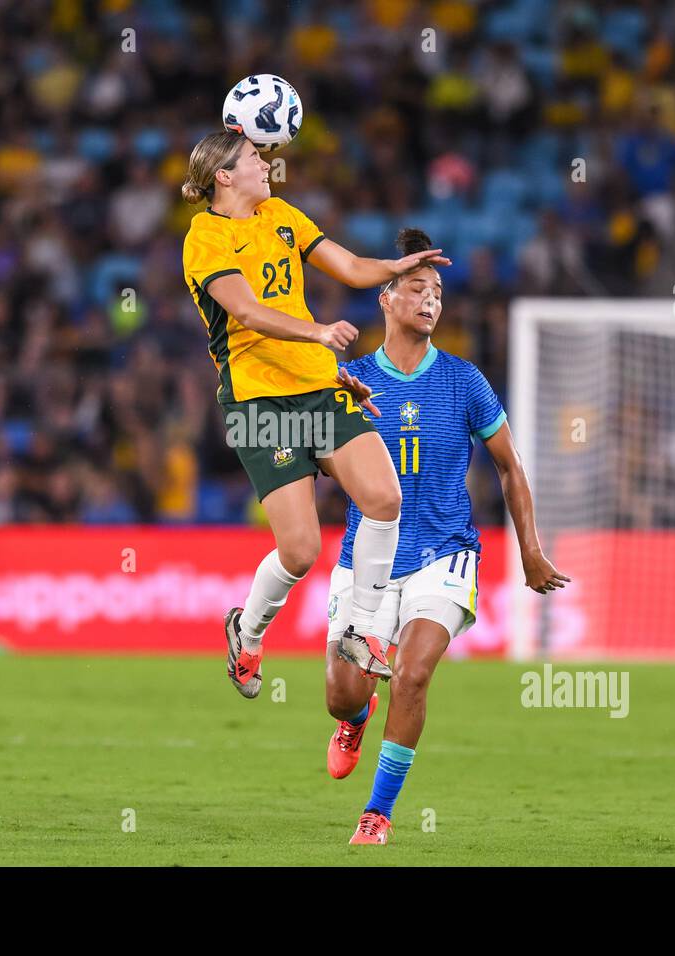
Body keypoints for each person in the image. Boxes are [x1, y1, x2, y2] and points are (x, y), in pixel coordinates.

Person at [323, 228, 569, 845]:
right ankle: (355, 718)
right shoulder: (348, 378)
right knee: (340, 691)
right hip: (367, 560)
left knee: (412, 672)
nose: (431, 301)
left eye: (437, 292)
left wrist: (530, 552)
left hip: (444, 554)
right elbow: (318, 461)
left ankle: (377, 814)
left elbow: (510, 468)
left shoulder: (464, 381)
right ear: (386, 298)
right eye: (416, 288)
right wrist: (332, 417)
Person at [181, 130, 449, 696]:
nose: (265, 162)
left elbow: (350, 267)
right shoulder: (203, 237)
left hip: (320, 387)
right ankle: (246, 633)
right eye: (255, 157)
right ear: (224, 176)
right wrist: (320, 330)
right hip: (260, 400)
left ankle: (361, 628)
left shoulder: (280, 213)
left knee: (384, 497)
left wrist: (396, 267)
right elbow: (248, 312)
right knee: (300, 550)